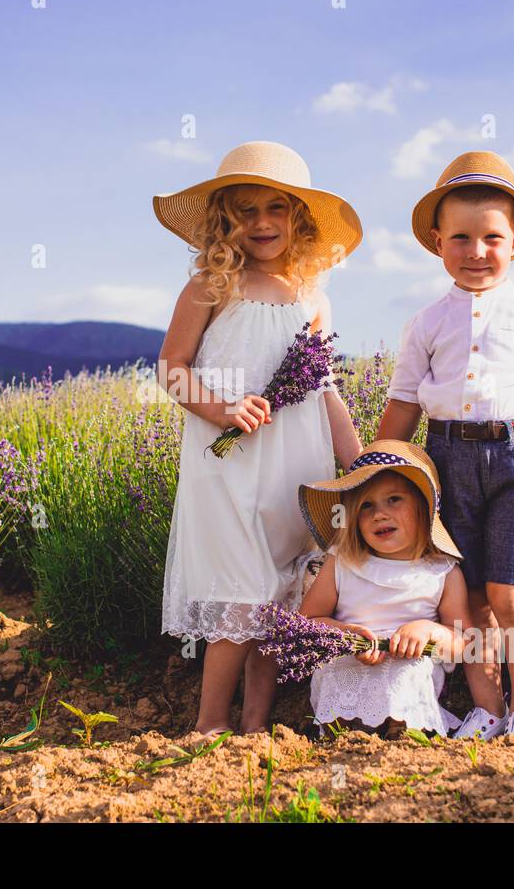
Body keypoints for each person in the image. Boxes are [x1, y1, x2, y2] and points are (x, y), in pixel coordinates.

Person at [156, 140, 364, 736]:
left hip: (293, 463)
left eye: (276, 208)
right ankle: (206, 725)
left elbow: (324, 389)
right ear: (226, 219)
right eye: (247, 210)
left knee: (276, 601)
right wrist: (220, 410)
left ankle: (254, 729)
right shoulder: (210, 285)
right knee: (241, 595)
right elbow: (171, 367)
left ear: (297, 217)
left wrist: (361, 465)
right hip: (226, 462)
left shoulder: (312, 299)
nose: (263, 222)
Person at [377, 151, 514, 740]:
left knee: (511, 590)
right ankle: (487, 709)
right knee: (465, 597)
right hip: (445, 461)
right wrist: (369, 473)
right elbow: (405, 404)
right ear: (438, 242)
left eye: (491, 237)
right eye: (461, 238)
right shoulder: (425, 322)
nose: (475, 251)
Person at [296, 441, 467, 738]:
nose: (379, 514)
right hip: (352, 655)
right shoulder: (343, 563)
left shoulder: (442, 571)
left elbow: (462, 640)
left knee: (407, 672)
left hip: (406, 663)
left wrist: (429, 630)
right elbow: (306, 623)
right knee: (336, 669)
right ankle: (340, 730)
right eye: (366, 506)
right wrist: (344, 634)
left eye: (394, 500)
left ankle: (400, 730)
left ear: (423, 508)